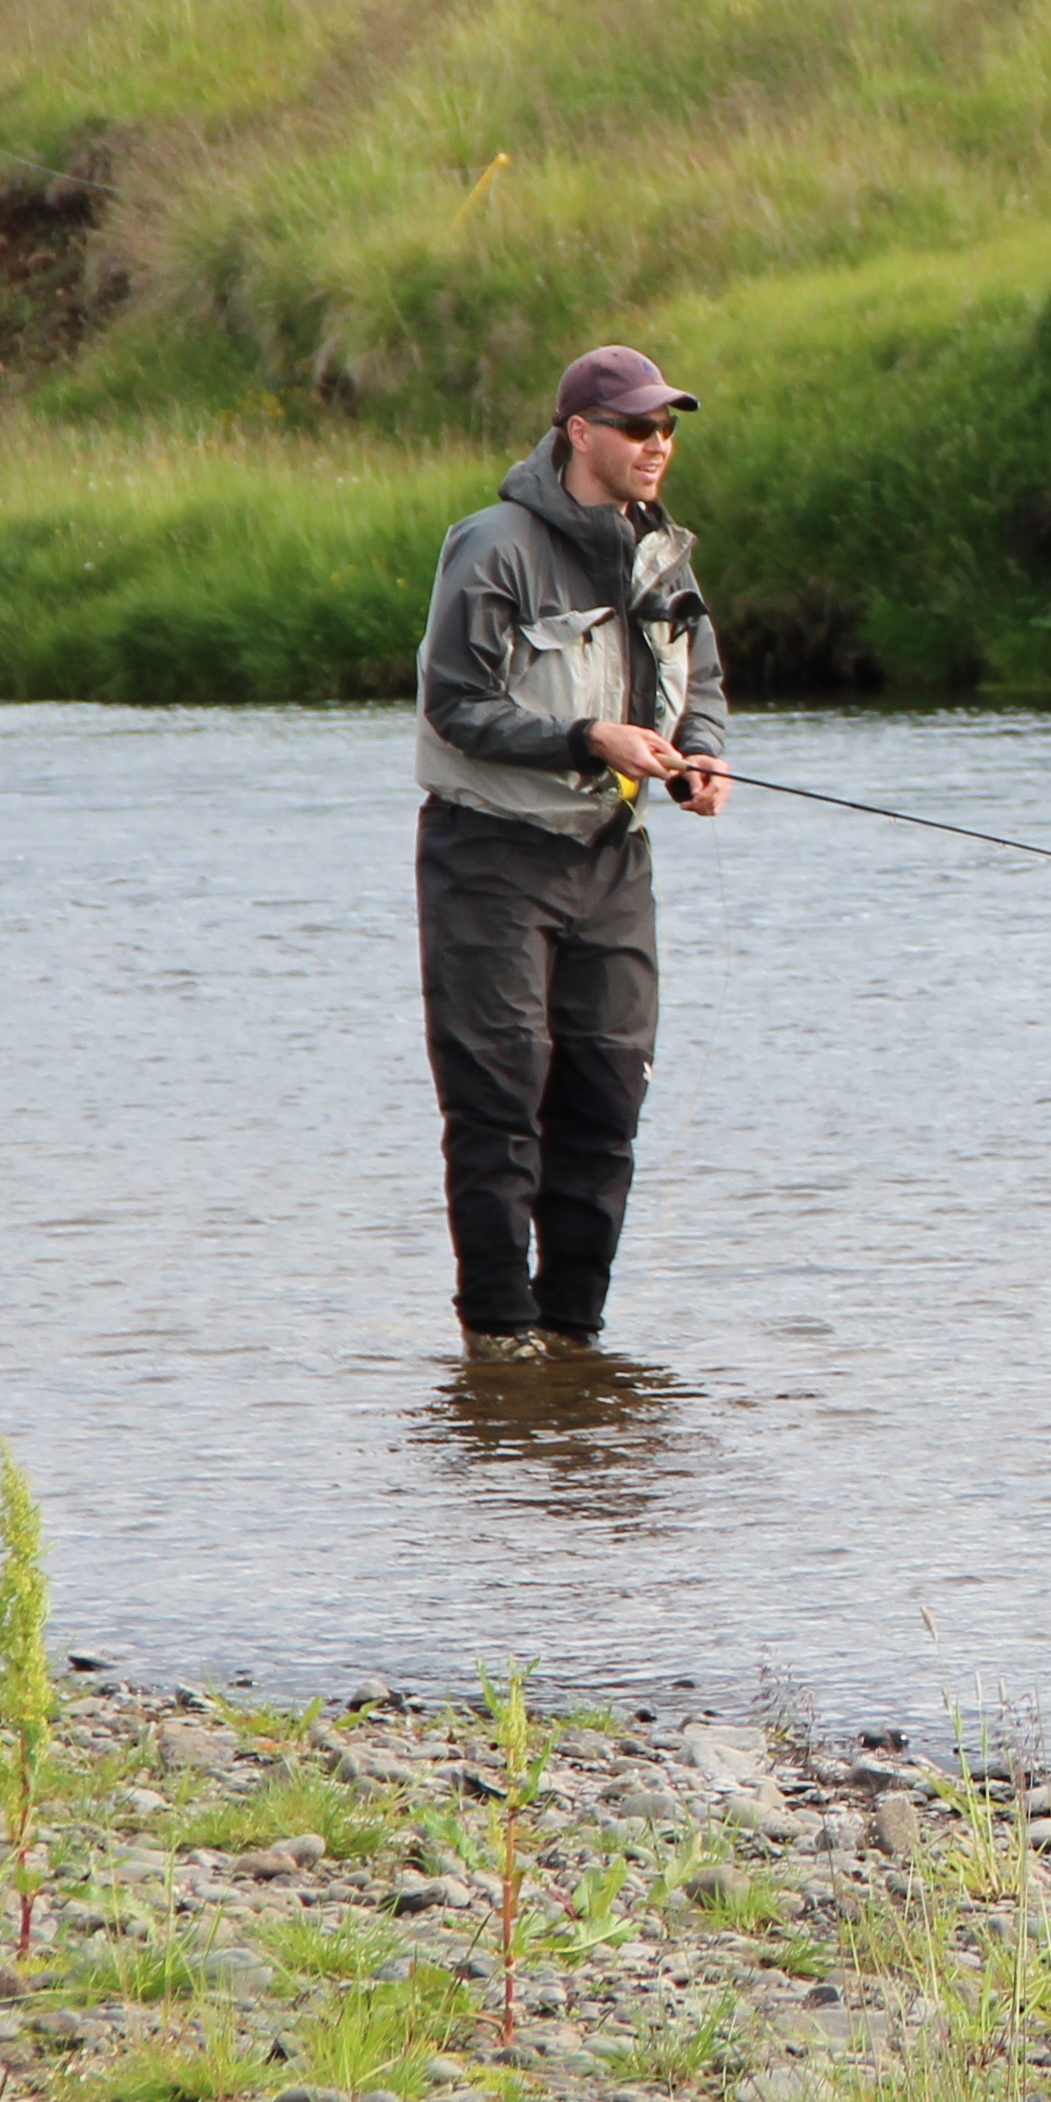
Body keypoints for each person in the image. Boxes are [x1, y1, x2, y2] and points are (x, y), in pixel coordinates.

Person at [415, 344, 731, 1362]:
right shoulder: (493, 546)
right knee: (502, 1099)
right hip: (491, 859)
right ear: (579, 433)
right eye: (639, 428)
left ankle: (577, 1346)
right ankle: (500, 1347)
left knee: (606, 1098)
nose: (658, 445)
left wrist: (702, 758)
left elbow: (704, 673)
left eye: (667, 429)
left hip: (613, 861)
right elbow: (456, 706)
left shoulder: (662, 553)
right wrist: (588, 739)